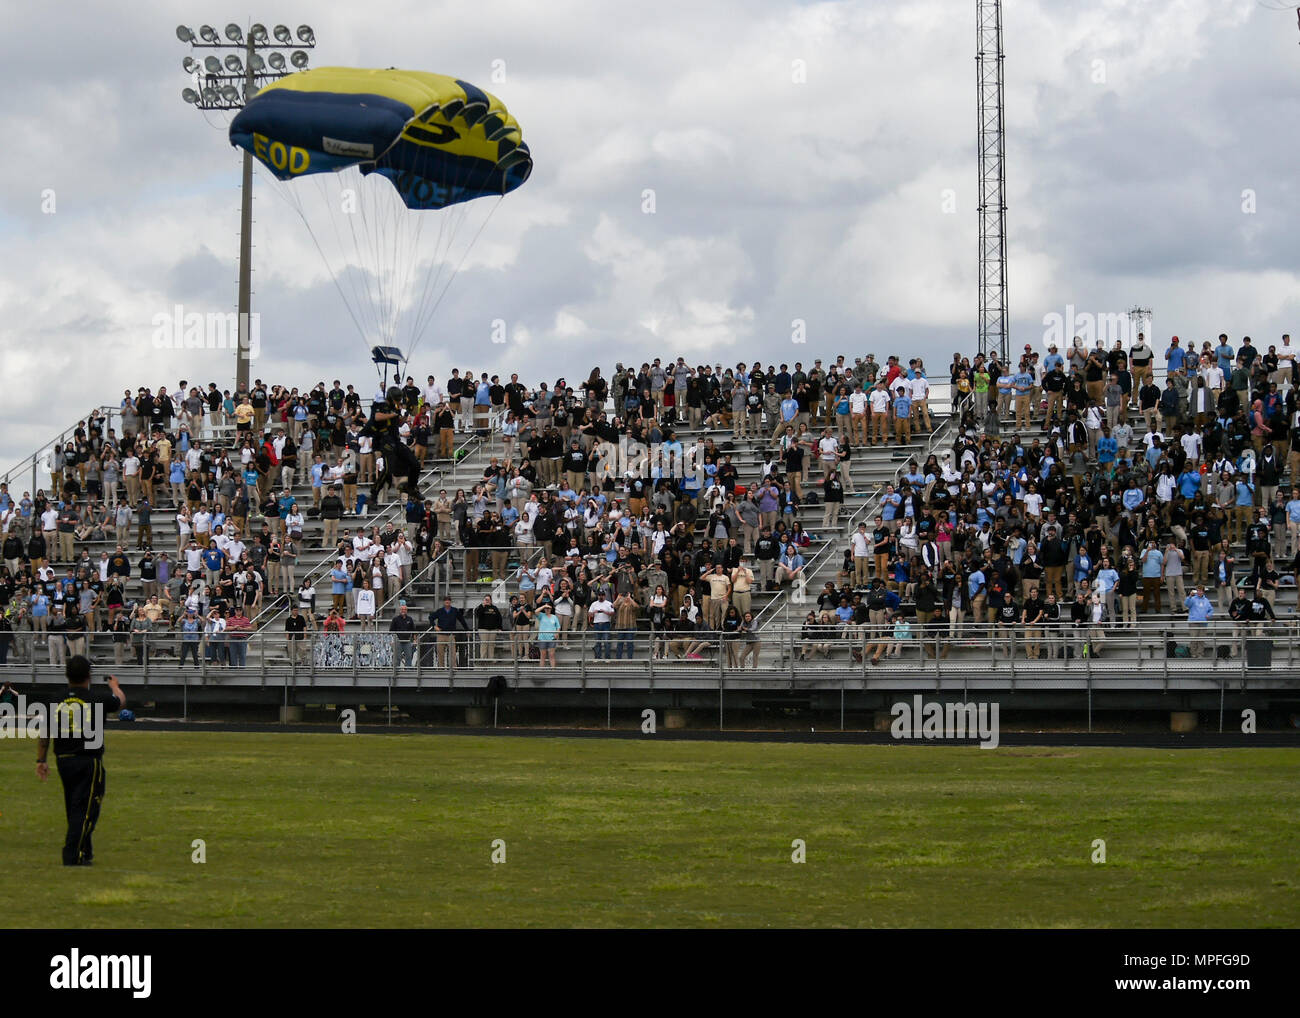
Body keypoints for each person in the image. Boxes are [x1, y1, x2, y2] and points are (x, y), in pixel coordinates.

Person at [35, 656, 125, 866]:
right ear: (89, 676)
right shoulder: (96, 699)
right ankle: (71, 854)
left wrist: (41, 760)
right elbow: (120, 701)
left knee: (74, 806)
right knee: (87, 809)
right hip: (88, 760)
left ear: (67, 675)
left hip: (63, 760)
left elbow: (44, 733)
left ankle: (86, 852)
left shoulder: (55, 699)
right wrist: (115, 686)